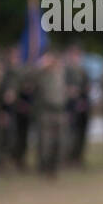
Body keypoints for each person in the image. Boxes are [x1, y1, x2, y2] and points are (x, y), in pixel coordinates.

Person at [34, 50, 66, 178]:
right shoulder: (42, 74)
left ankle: (54, 168)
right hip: (46, 112)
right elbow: (29, 76)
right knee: (46, 142)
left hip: (59, 111)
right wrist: (41, 65)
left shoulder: (61, 73)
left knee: (59, 141)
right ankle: (44, 167)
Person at [63, 44, 90, 167]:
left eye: (78, 55)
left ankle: (77, 158)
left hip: (82, 108)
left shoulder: (83, 71)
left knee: (80, 134)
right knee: (69, 135)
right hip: (69, 108)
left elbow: (86, 89)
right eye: (74, 55)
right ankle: (67, 158)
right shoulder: (65, 71)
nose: (76, 58)